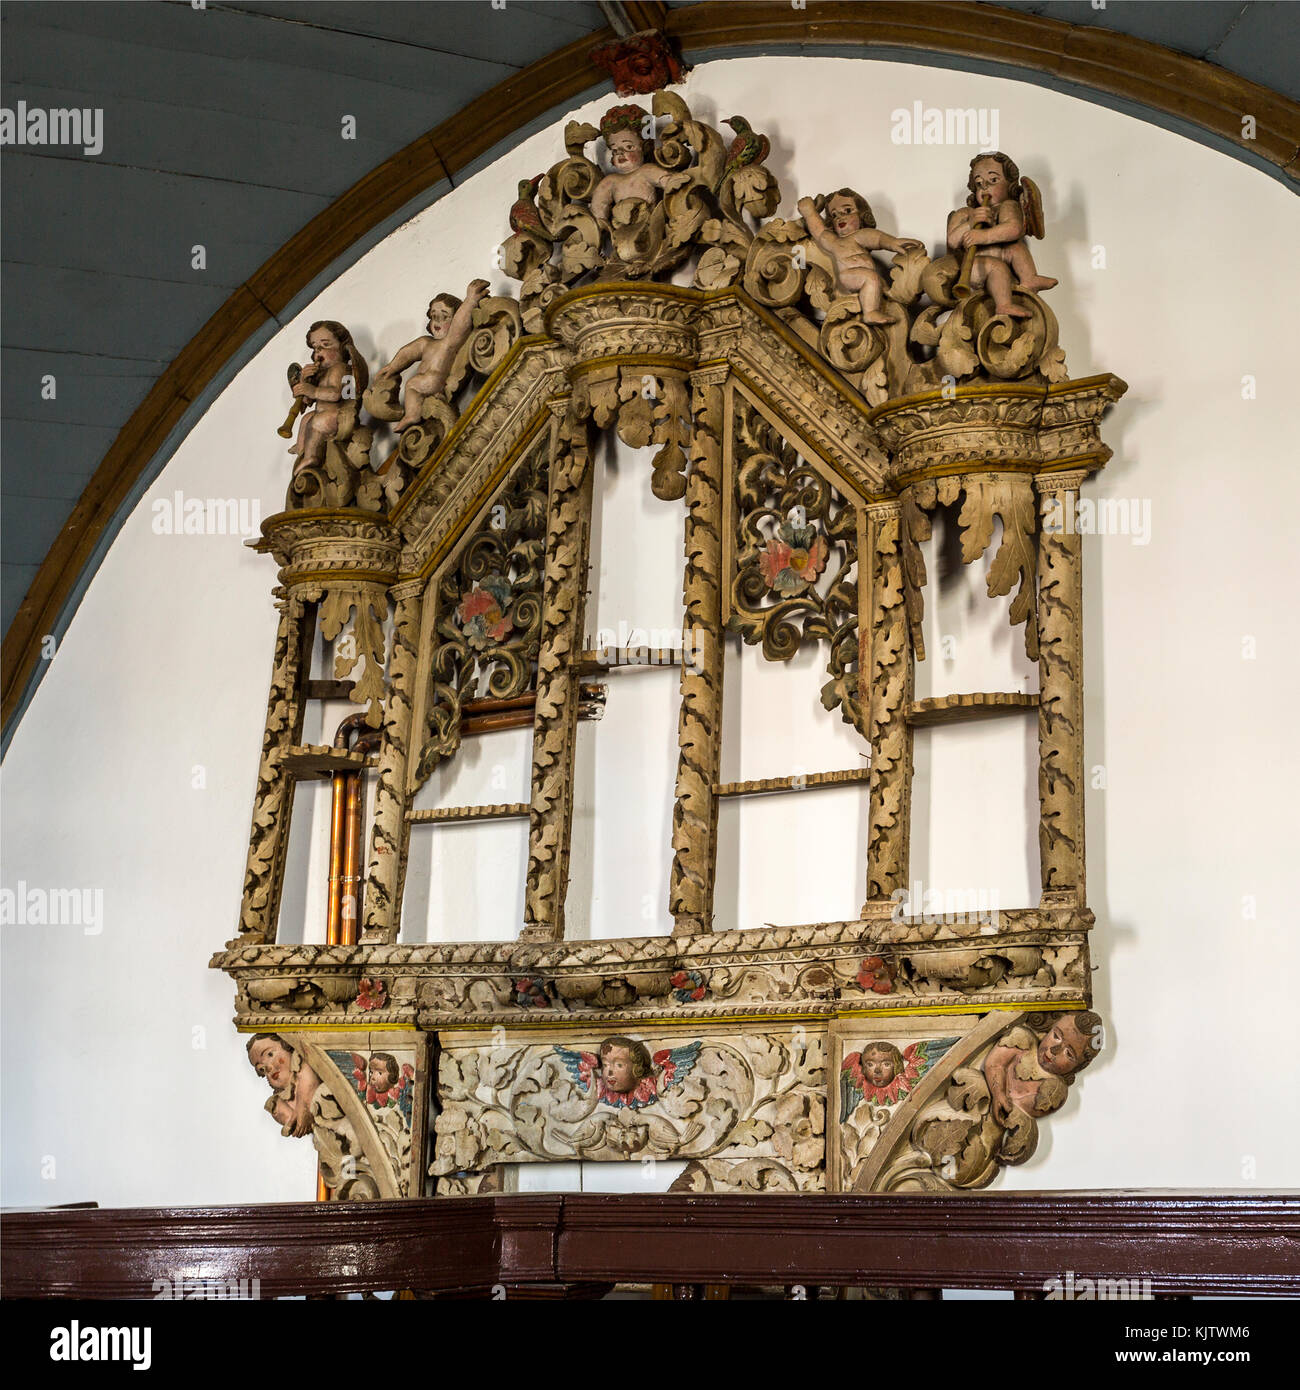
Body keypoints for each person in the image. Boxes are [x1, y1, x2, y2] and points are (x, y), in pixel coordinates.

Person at [946, 152, 1057, 319]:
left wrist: (982, 236)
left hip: (999, 253)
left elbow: (1014, 229)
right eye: (978, 183)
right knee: (998, 268)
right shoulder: (965, 213)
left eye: (993, 180)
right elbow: (952, 241)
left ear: (1010, 186)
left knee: (1016, 248)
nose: (985, 187)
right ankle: (1003, 305)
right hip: (975, 265)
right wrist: (970, 223)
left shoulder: (1008, 206)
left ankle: (1029, 278)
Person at [374, 280, 489, 432]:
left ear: (454, 319)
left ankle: (412, 415)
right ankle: (414, 413)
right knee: (413, 387)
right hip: (429, 383)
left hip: (434, 380)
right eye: (434, 316)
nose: (437, 322)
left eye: (445, 317)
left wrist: (470, 301)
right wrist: (393, 366)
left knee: (411, 385)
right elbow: (407, 353)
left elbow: (461, 323)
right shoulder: (426, 342)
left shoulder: (449, 342)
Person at [797, 188, 923, 324]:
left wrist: (893, 243)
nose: (840, 217)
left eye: (847, 211)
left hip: (864, 276)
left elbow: (877, 238)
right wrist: (809, 212)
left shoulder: (859, 235)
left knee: (877, 282)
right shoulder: (835, 242)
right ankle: (870, 313)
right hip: (848, 276)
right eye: (834, 215)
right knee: (871, 278)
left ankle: (880, 301)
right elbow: (819, 232)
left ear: (862, 215)